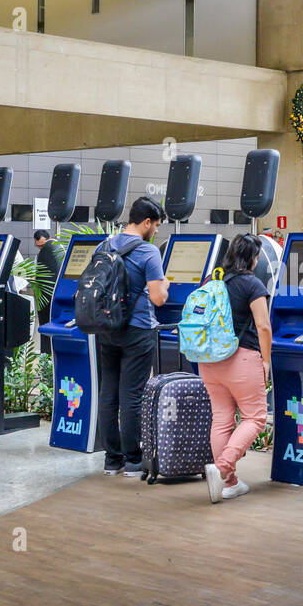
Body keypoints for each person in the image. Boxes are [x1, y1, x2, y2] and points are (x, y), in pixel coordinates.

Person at [98, 196, 168, 477]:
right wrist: (164, 285)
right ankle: (133, 459)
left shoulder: (105, 245)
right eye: (157, 225)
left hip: (107, 328)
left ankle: (111, 460)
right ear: (147, 222)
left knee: (109, 393)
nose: (157, 231)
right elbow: (158, 298)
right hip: (138, 330)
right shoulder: (148, 252)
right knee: (132, 395)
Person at [198, 234, 271, 503]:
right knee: (255, 418)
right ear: (252, 258)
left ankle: (228, 484)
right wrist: (265, 360)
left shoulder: (212, 280)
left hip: (208, 360)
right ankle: (222, 468)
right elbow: (263, 325)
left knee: (222, 419)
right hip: (241, 360)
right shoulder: (252, 284)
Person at [33, 228, 62, 352]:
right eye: (38, 246)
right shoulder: (50, 250)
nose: (40, 248)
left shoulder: (53, 249)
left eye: (42, 245)